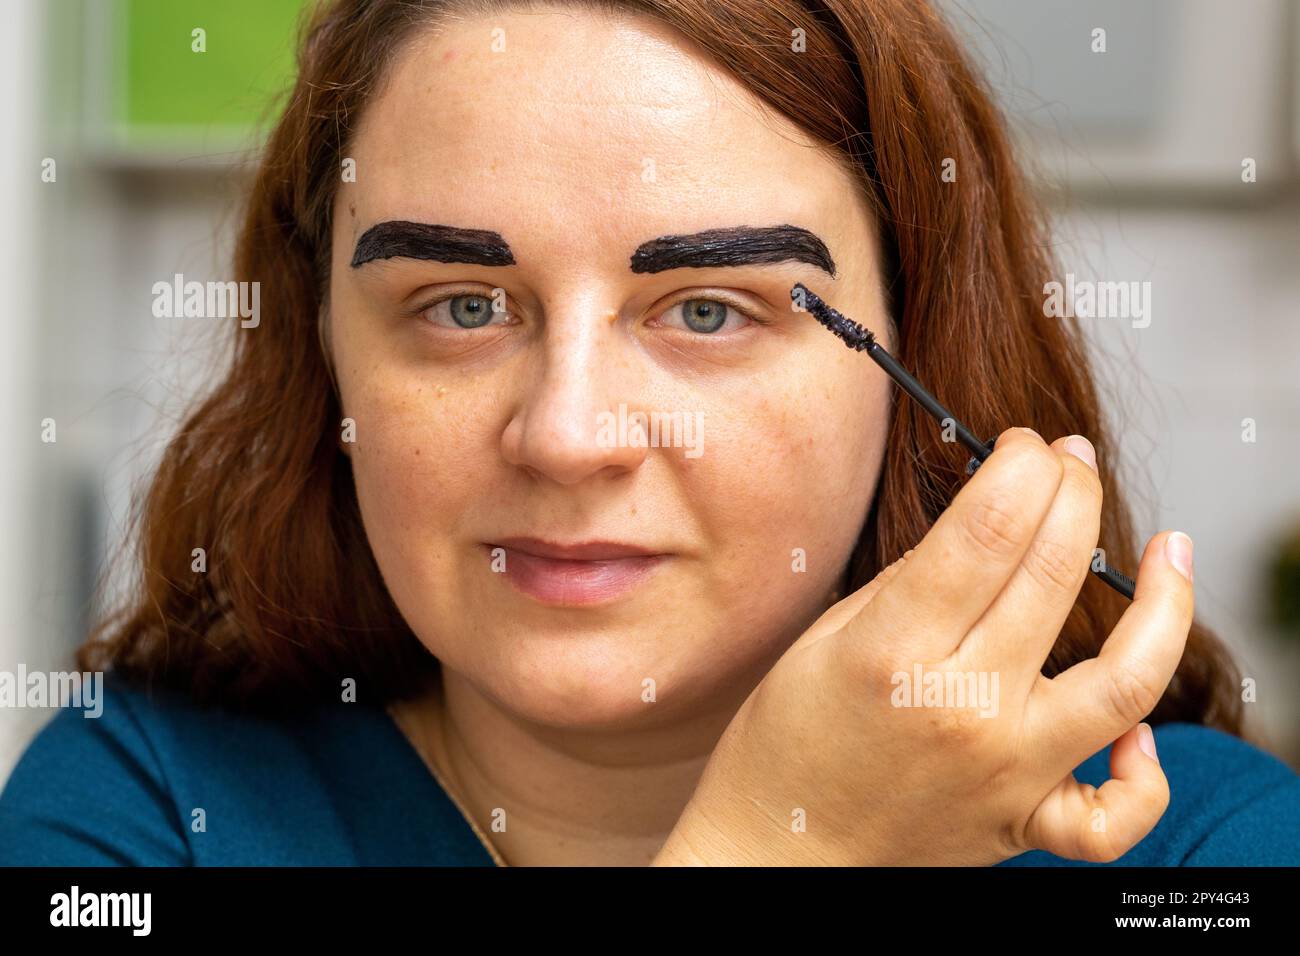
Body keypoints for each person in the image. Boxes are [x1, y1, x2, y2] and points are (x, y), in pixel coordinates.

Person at [2, 0, 1296, 866]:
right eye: (461, 307)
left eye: (709, 311)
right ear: (320, 354)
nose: (569, 436)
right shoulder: (142, 814)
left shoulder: (1197, 852)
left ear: (922, 349)